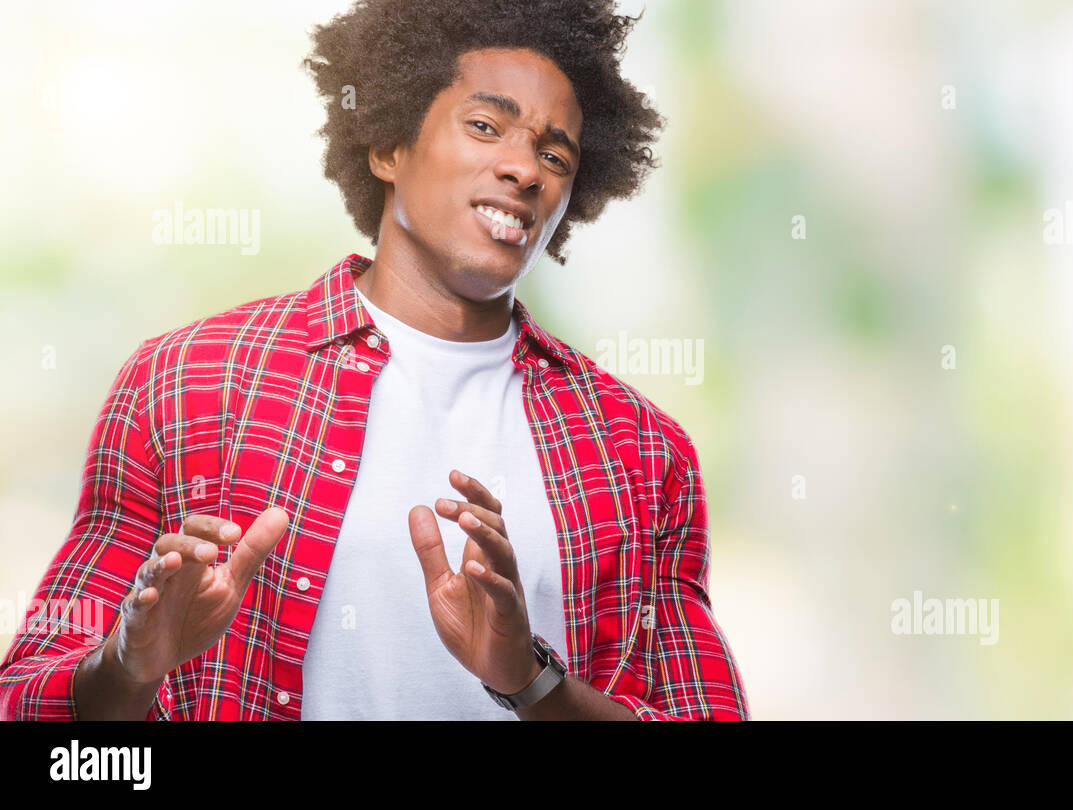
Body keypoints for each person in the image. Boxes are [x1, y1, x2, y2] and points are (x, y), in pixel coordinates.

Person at [0, 0, 749, 721]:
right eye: (486, 125)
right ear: (389, 146)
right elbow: (29, 704)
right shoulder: (188, 384)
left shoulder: (642, 453)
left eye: (553, 153)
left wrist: (530, 682)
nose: (524, 169)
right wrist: (128, 669)